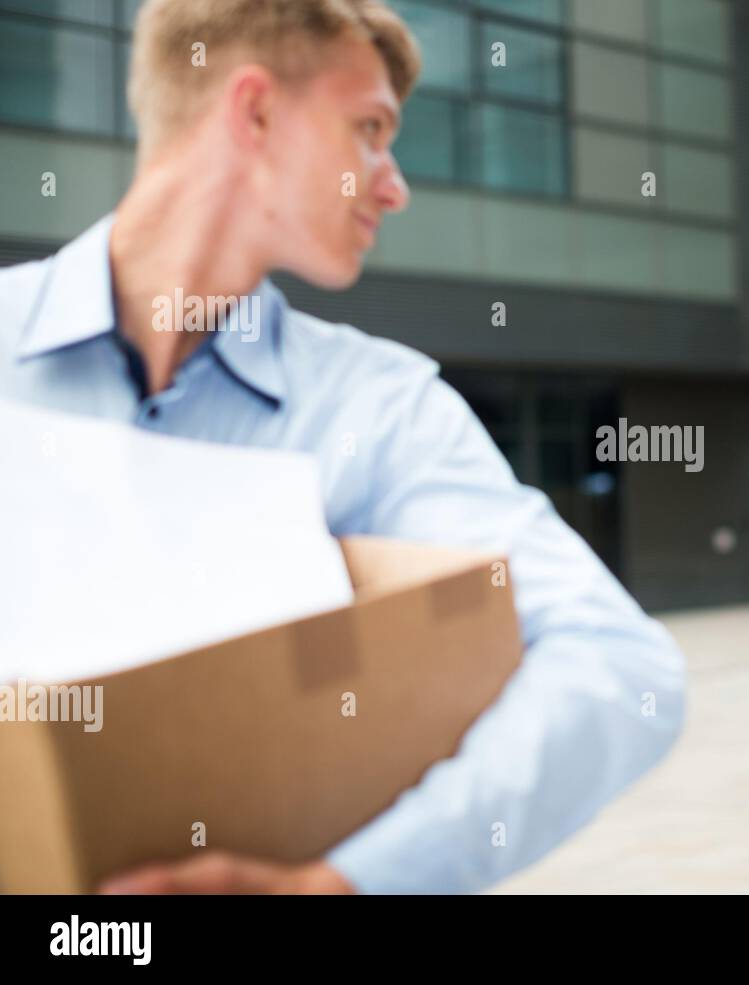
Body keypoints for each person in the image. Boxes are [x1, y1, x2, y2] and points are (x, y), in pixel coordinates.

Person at [0, 0, 686, 893]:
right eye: (369, 130)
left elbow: (617, 663)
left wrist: (350, 882)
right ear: (254, 112)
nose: (394, 184)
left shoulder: (382, 409)